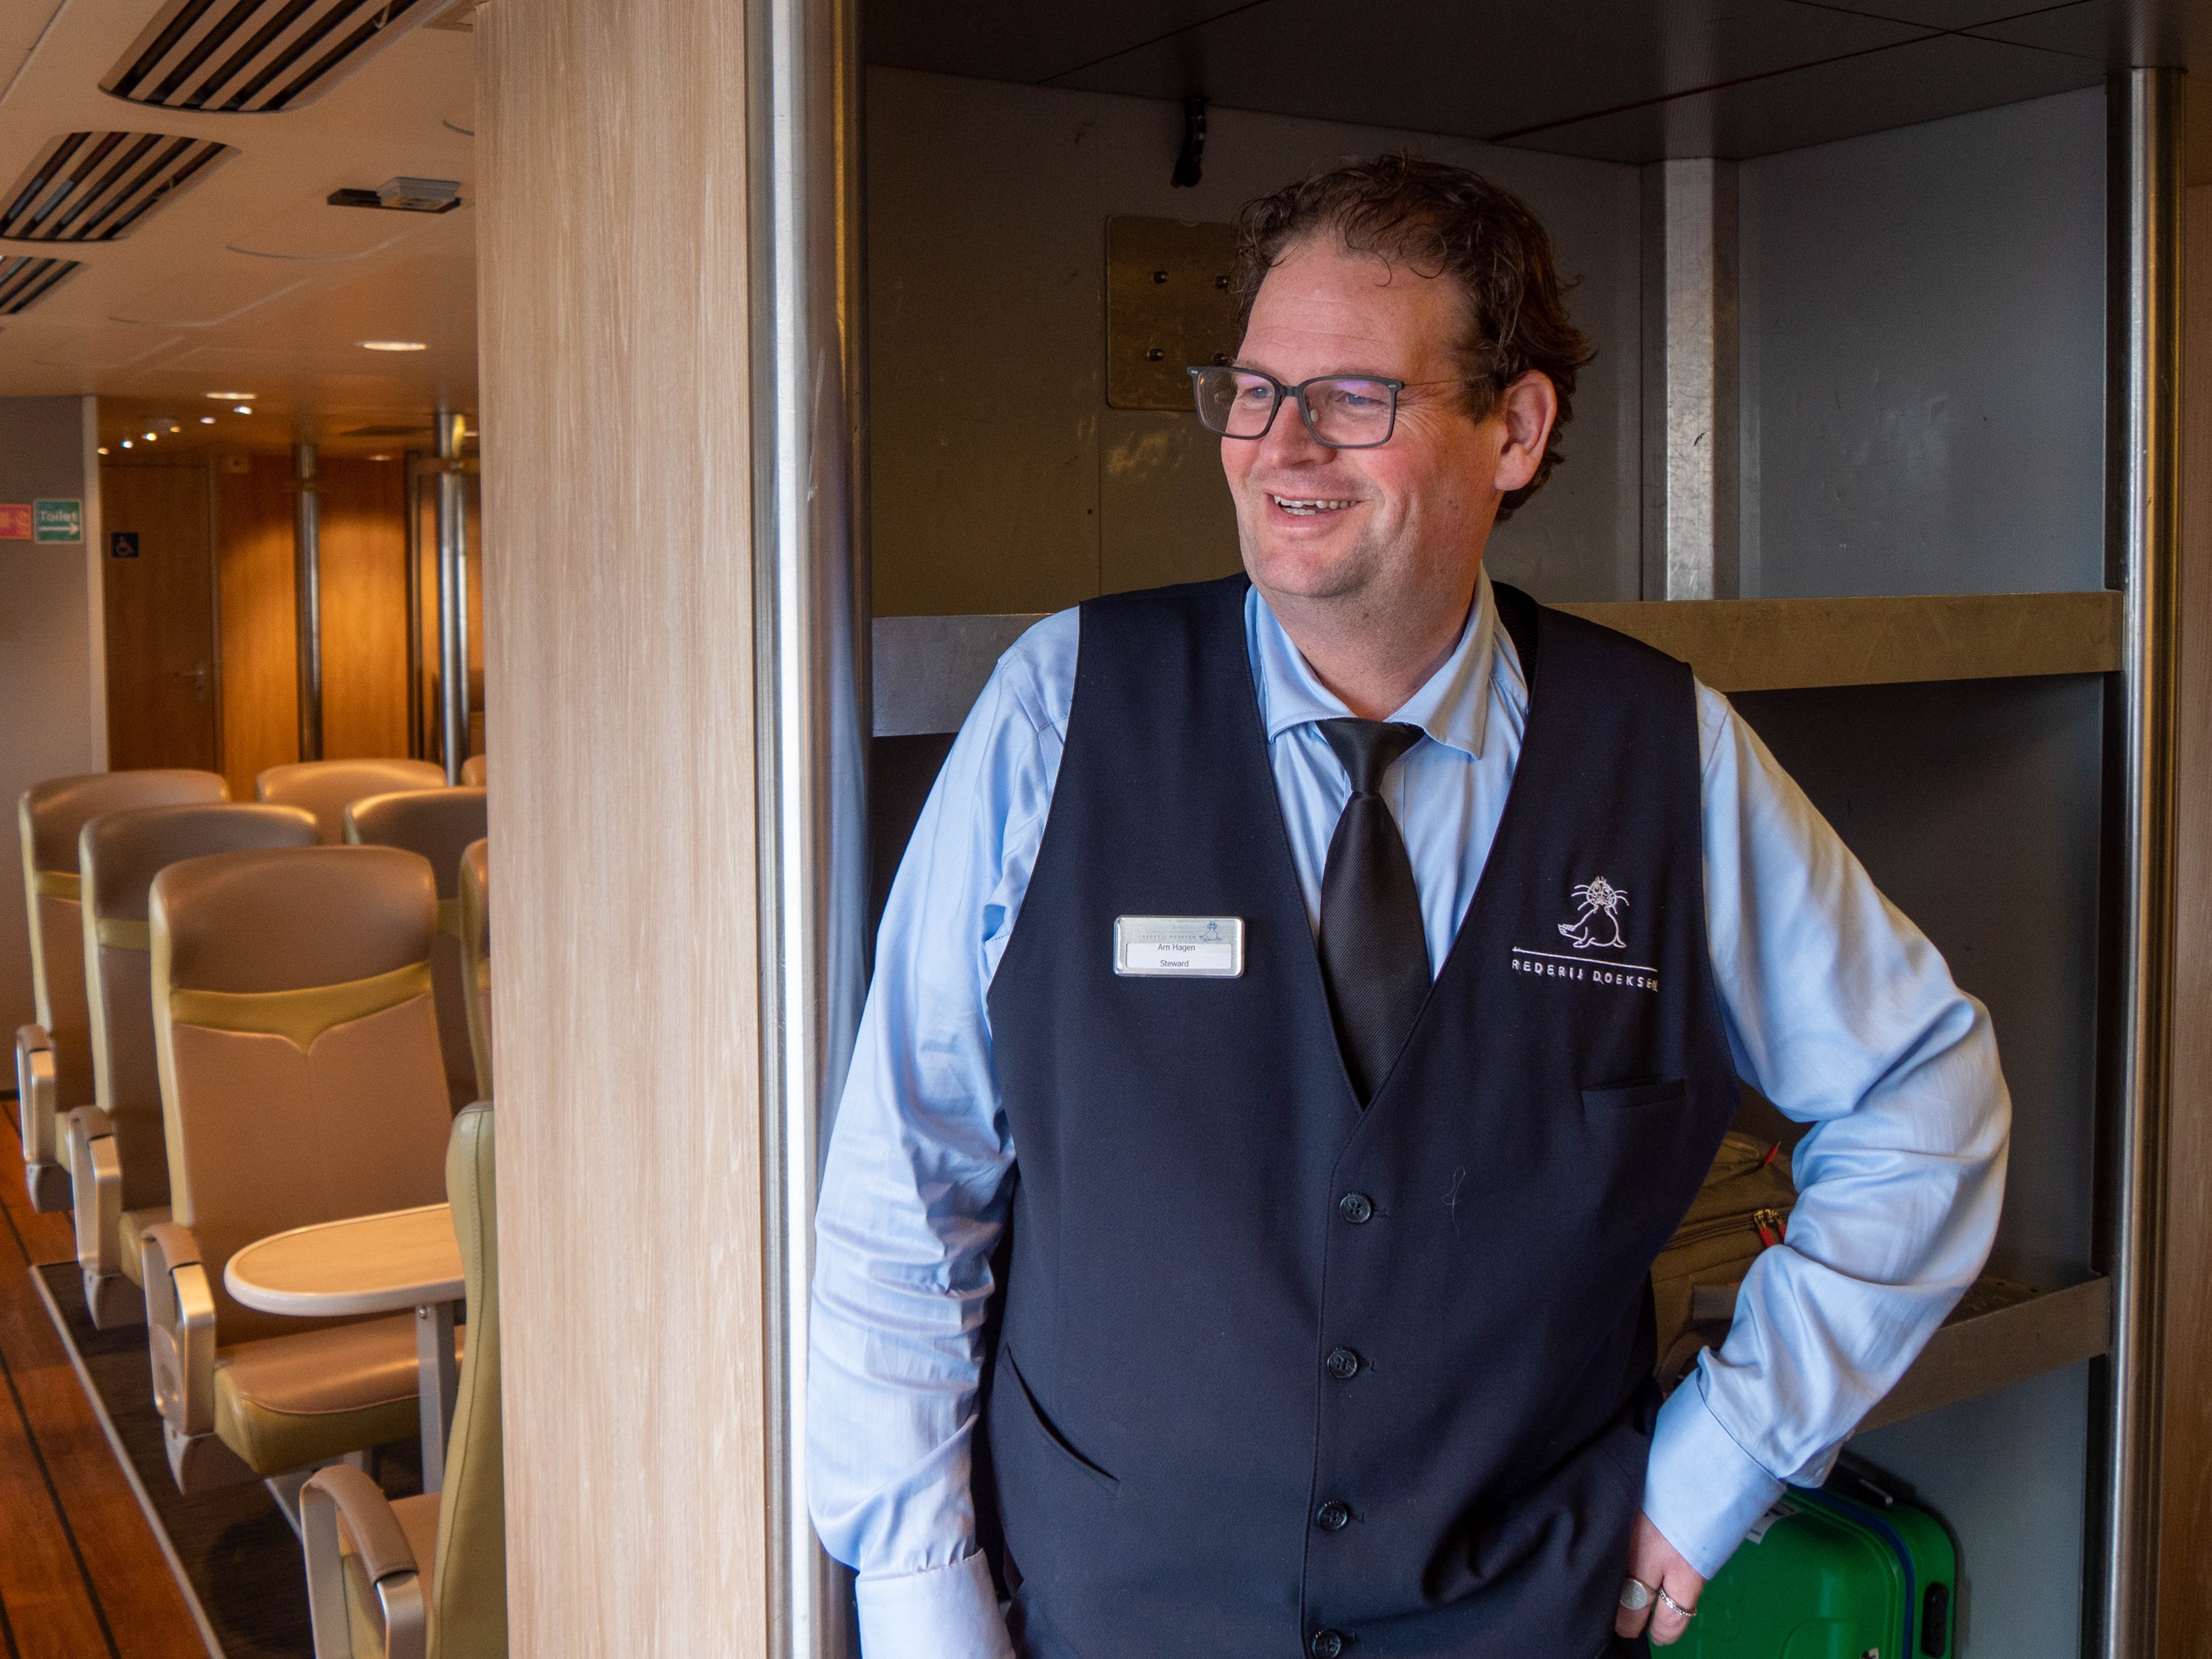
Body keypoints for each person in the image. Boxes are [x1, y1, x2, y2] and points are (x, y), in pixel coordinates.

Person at [808, 154, 2009, 1658]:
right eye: (1252, 390)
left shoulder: (1667, 760)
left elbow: (1927, 1097)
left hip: (1516, 1619)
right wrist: (922, 1603)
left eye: (1354, 397)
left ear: (1514, 429)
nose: (1281, 447)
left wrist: (1718, 1467)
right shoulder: (1061, 714)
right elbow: (905, 1191)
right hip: (1097, 1615)